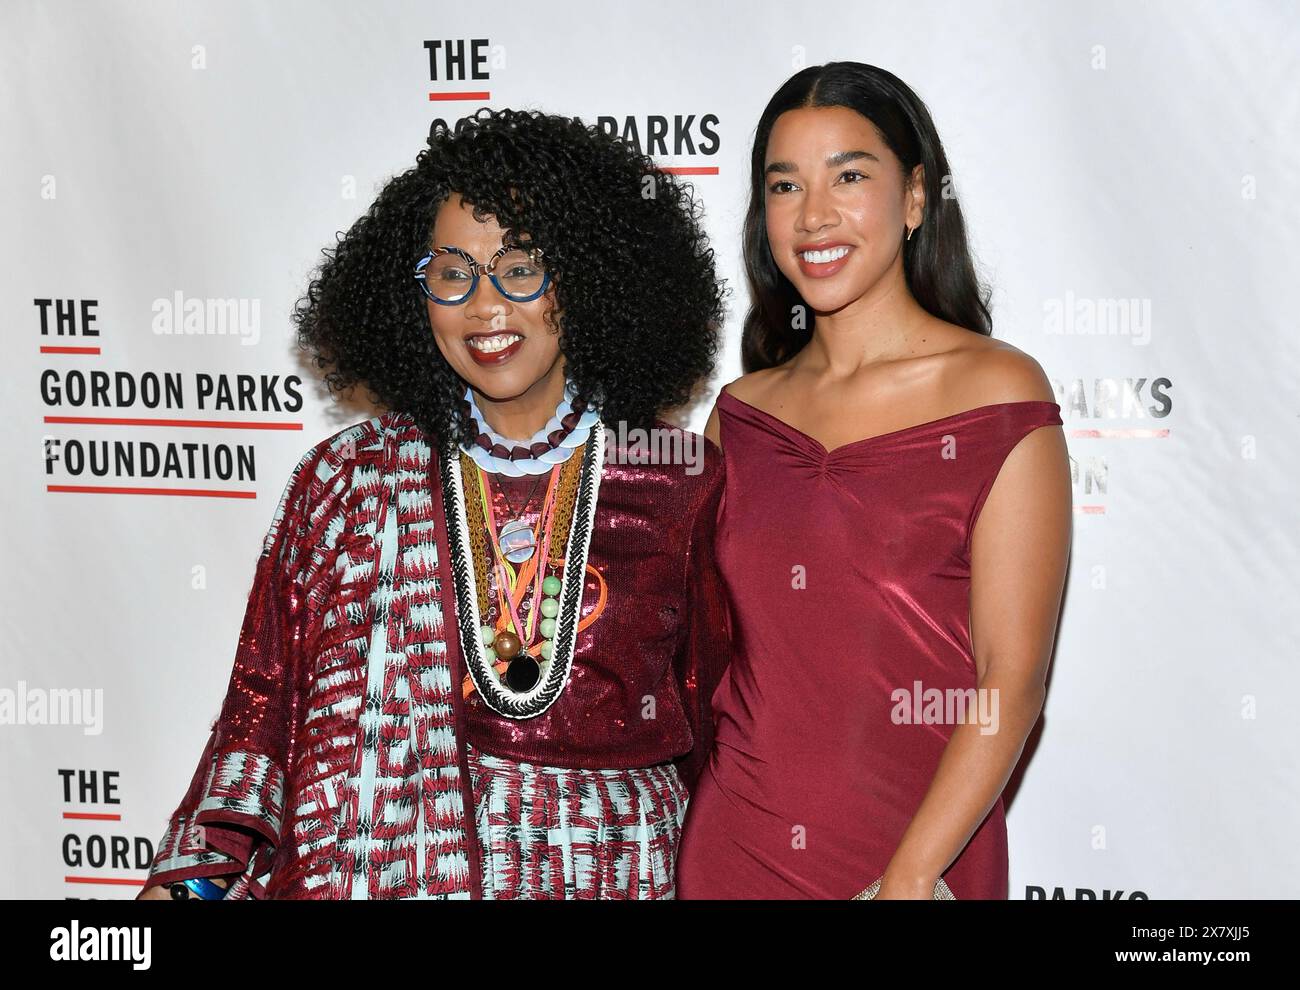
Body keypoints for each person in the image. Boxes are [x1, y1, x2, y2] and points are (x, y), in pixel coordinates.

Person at [138, 106, 731, 900]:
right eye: (453, 273)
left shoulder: (680, 481)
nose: (486, 305)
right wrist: (197, 879)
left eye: (520, 267)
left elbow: (726, 733)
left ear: (587, 279)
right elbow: (263, 707)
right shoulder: (349, 482)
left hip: (621, 877)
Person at [675, 62, 1072, 899]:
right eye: (785, 186)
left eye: (849, 176)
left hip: (924, 859)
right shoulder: (739, 418)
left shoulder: (997, 394)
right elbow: (706, 660)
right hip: (735, 848)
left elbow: (1014, 677)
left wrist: (911, 878)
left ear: (917, 196)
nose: (815, 214)